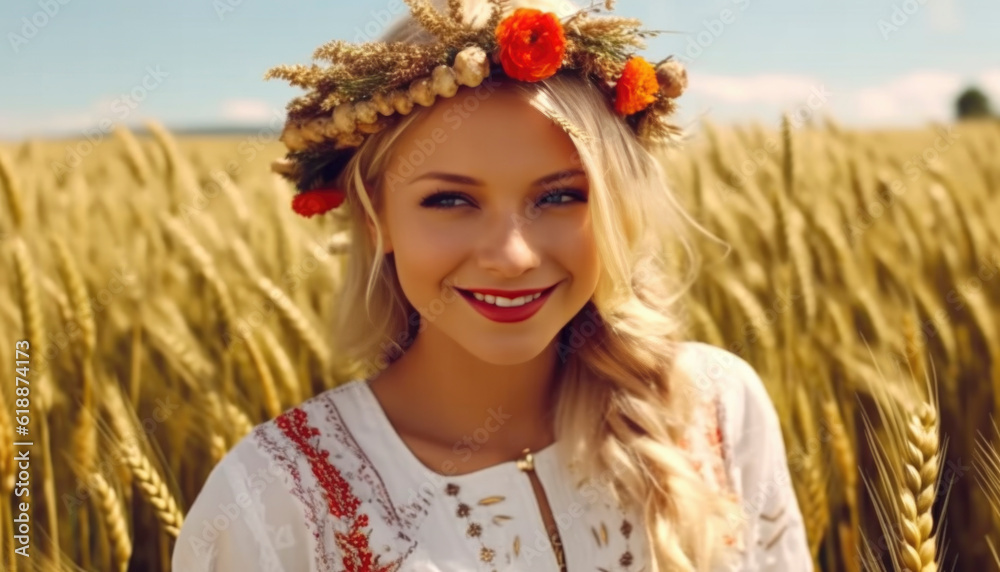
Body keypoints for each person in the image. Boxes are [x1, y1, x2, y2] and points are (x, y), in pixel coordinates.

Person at [171, 0, 812, 570]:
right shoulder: (273, 501)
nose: (511, 255)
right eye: (449, 200)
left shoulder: (719, 407)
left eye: (561, 196)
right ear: (375, 219)